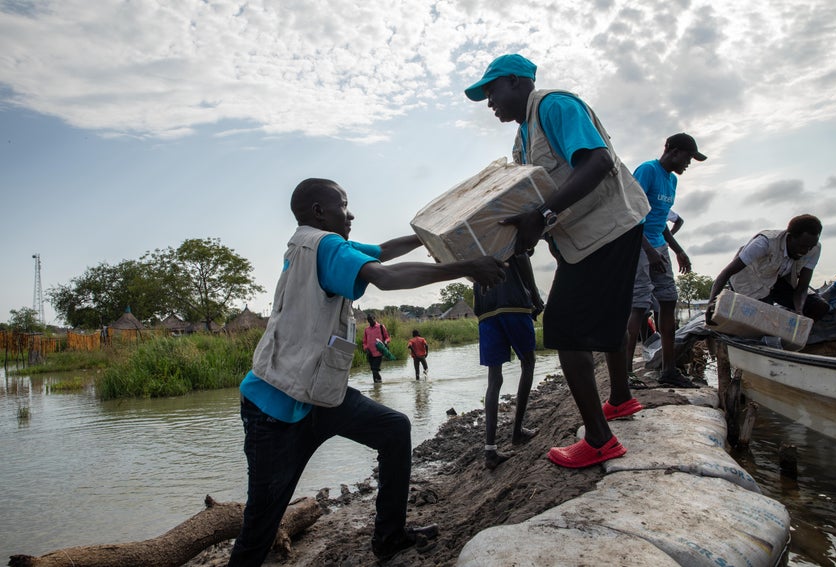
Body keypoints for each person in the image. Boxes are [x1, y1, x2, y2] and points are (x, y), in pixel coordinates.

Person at [228, 178, 507, 566]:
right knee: (261, 524)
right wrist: (466, 267)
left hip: (320, 396)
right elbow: (386, 277)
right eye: (343, 205)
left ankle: (389, 536)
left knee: (394, 429)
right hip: (276, 408)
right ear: (319, 211)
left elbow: (385, 251)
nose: (351, 213)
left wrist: (428, 235)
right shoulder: (326, 245)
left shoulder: (310, 244)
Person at [465, 54, 650, 469]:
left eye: (492, 91)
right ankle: (620, 399)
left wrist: (543, 215)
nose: (489, 102)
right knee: (607, 319)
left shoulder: (555, 105)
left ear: (516, 82)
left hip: (608, 226)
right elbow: (530, 199)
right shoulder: (522, 140)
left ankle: (599, 440)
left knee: (564, 328)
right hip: (582, 240)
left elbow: (598, 161)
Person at [625, 133, 707, 389]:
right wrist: (649, 252)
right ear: (673, 151)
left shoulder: (672, 180)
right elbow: (632, 214)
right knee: (639, 306)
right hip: (638, 245)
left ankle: (668, 370)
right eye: (687, 158)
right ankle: (625, 373)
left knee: (669, 301)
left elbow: (660, 221)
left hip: (658, 246)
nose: (688, 164)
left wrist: (678, 250)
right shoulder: (648, 170)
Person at [473, 252, 544, 470]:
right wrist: (535, 296)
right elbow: (521, 256)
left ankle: (490, 450)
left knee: (494, 380)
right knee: (528, 363)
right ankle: (517, 432)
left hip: (485, 308)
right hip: (513, 301)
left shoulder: (470, 238)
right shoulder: (506, 231)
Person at [706, 214, 830, 322]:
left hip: (778, 280)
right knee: (764, 319)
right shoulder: (763, 243)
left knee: (819, 306)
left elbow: (802, 287)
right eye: (802, 246)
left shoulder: (814, 248)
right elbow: (726, 273)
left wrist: (799, 312)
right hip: (750, 281)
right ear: (790, 237)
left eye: (810, 247)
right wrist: (711, 303)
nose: (806, 251)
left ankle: (795, 336)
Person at [364, 314, 391, 382]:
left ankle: (379, 382)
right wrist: (366, 348)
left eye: (371, 319)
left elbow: (387, 338)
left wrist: (386, 342)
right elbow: (364, 342)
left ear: (374, 318)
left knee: (374, 369)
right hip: (370, 353)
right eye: (368, 320)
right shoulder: (366, 330)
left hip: (379, 352)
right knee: (373, 371)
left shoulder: (381, 327)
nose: (370, 321)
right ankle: (377, 385)